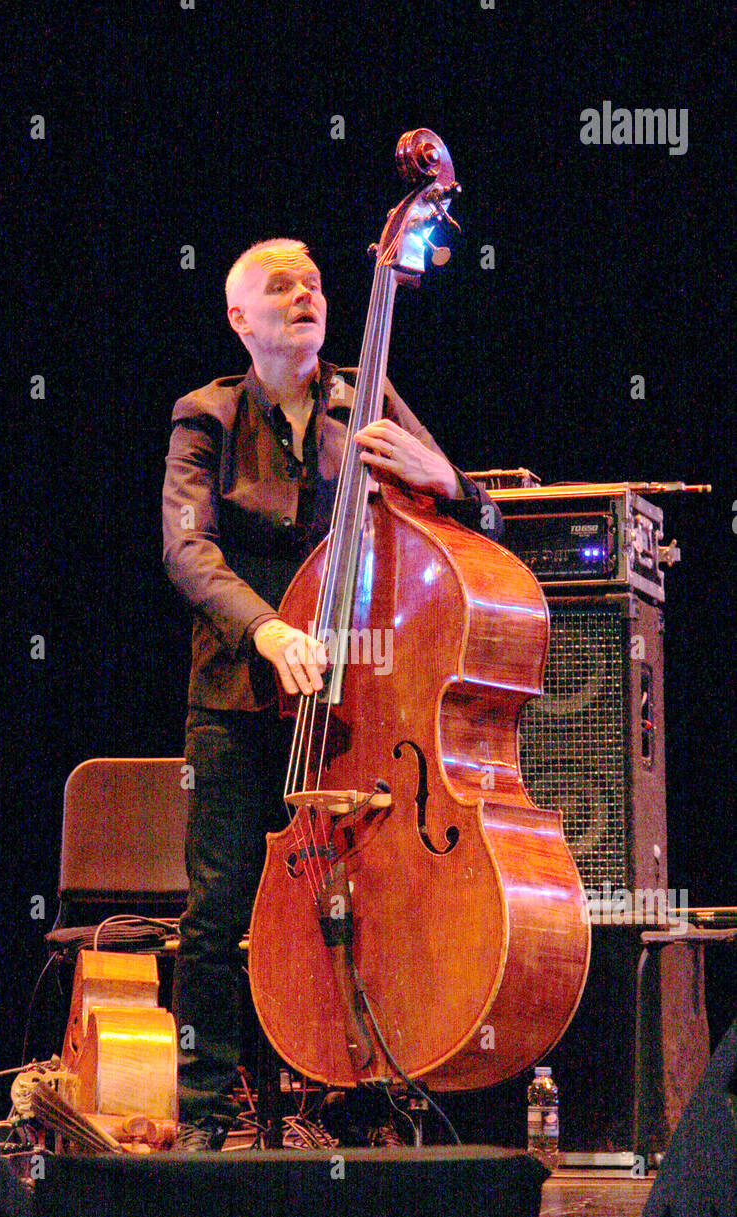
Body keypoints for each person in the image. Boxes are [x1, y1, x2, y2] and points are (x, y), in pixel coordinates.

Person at [162, 238, 503, 1148]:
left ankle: (362, 1096)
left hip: (361, 697)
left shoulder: (367, 395)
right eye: (281, 286)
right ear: (241, 318)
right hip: (241, 692)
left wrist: (450, 482)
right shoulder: (206, 416)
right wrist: (268, 628)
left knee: (374, 894)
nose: (305, 294)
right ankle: (204, 1116)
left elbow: (471, 514)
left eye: (313, 282)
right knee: (218, 910)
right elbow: (188, 551)